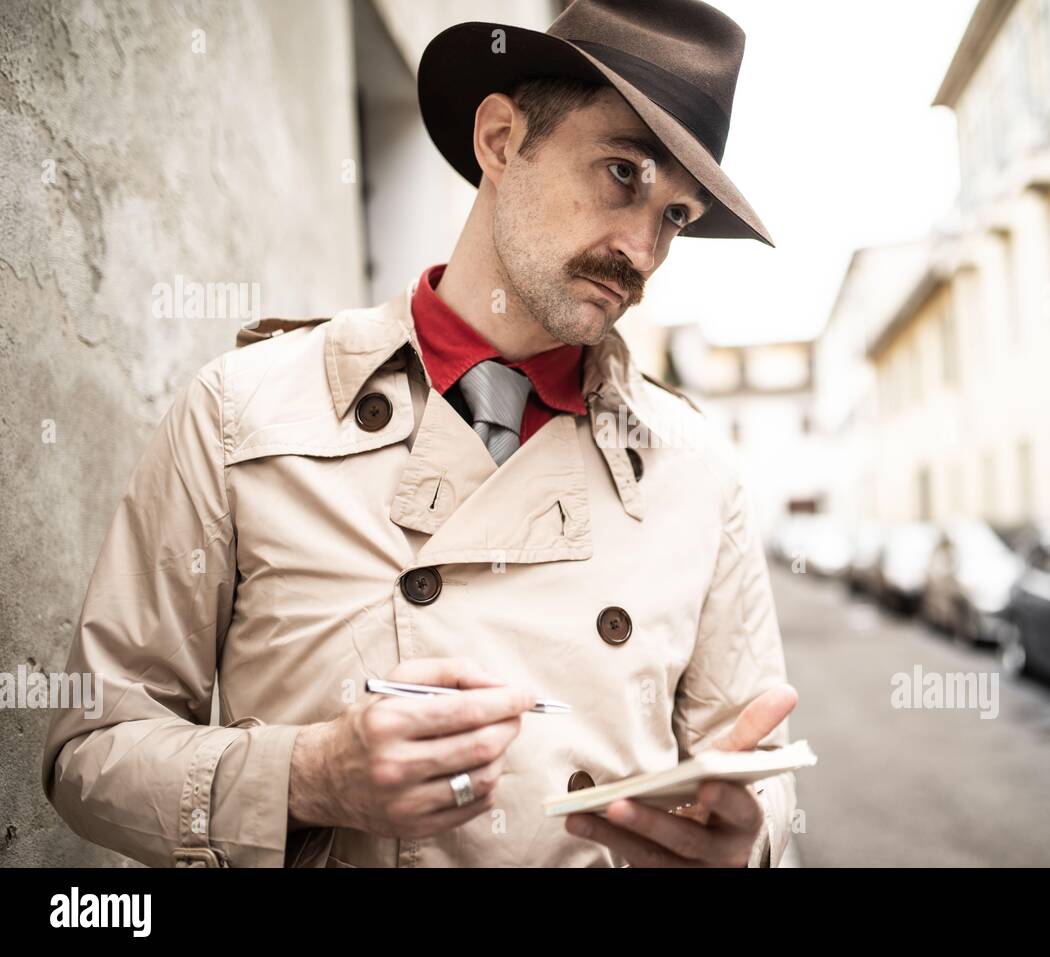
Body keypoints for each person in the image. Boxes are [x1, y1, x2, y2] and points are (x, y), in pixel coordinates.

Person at [41, 0, 798, 868]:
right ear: (502, 140)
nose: (641, 249)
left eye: (675, 216)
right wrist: (304, 776)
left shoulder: (698, 471)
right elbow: (89, 752)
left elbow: (757, 773)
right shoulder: (242, 409)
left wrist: (753, 841)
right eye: (624, 173)